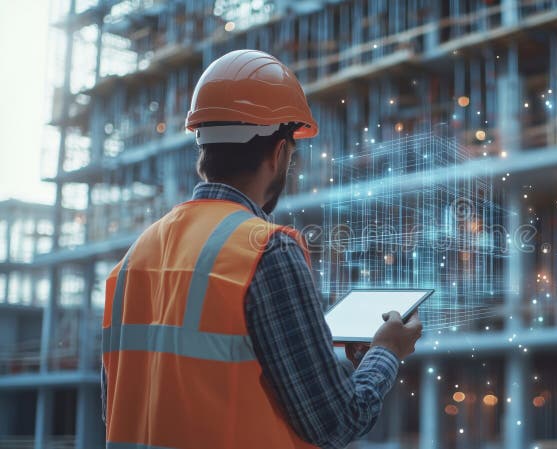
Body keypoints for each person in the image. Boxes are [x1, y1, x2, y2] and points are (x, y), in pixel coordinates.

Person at [101, 49, 423, 449]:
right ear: (278, 153)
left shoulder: (132, 262)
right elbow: (339, 421)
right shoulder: (267, 251)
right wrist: (386, 351)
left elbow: (141, 403)